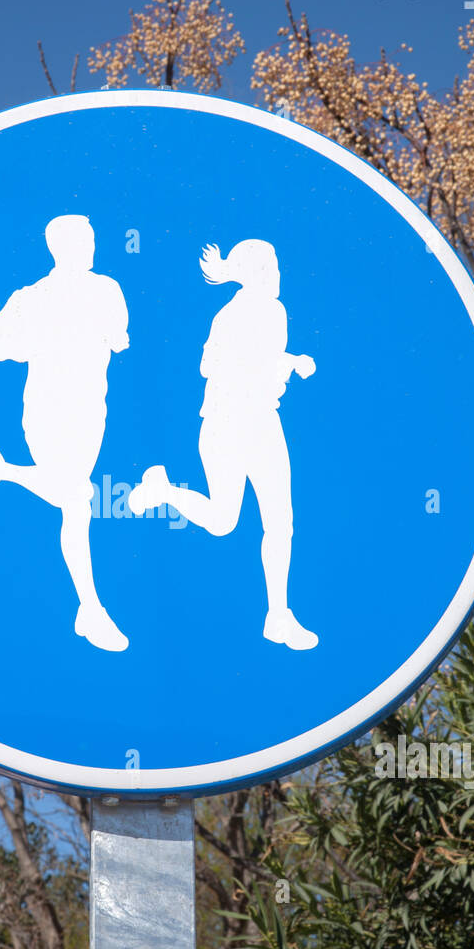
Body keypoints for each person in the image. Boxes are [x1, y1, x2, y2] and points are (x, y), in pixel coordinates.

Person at [128, 239, 318, 649]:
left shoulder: (260, 311)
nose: (279, 274)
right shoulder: (248, 312)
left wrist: (282, 365)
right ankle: (162, 491)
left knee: (280, 521)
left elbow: (231, 364)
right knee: (223, 521)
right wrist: (291, 363)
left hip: (261, 422)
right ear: (260, 272)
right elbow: (219, 365)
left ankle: (278, 616)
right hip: (226, 425)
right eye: (272, 267)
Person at [0, 215, 129, 652]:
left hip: (92, 409)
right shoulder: (32, 296)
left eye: (93, 239)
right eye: (84, 241)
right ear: (60, 247)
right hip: (46, 408)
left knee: (72, 498)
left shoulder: (106, 288)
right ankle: (91, 609)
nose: (92, 247)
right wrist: (30, 341)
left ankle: (0, 470)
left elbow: (118, 337)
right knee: (77, 499)